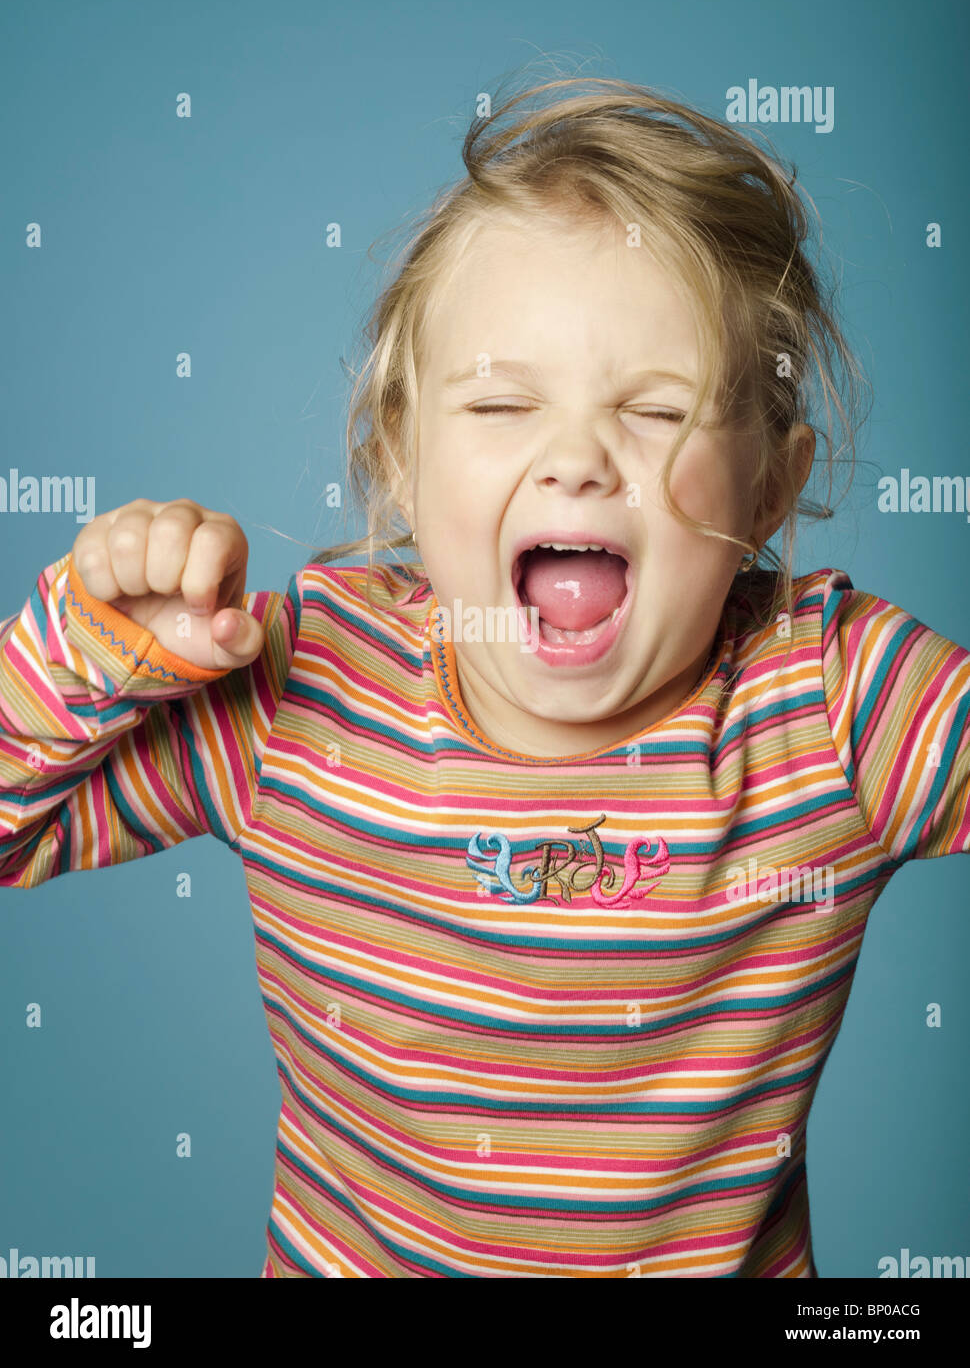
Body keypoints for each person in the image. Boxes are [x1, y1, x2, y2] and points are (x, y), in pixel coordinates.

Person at [1, 74, 967, 1278]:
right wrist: (94, 649)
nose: (574, 459)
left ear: (768, 488)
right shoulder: (304, 687)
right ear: (397, 461)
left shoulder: (831, 701)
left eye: (657, 410)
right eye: (504, 402)